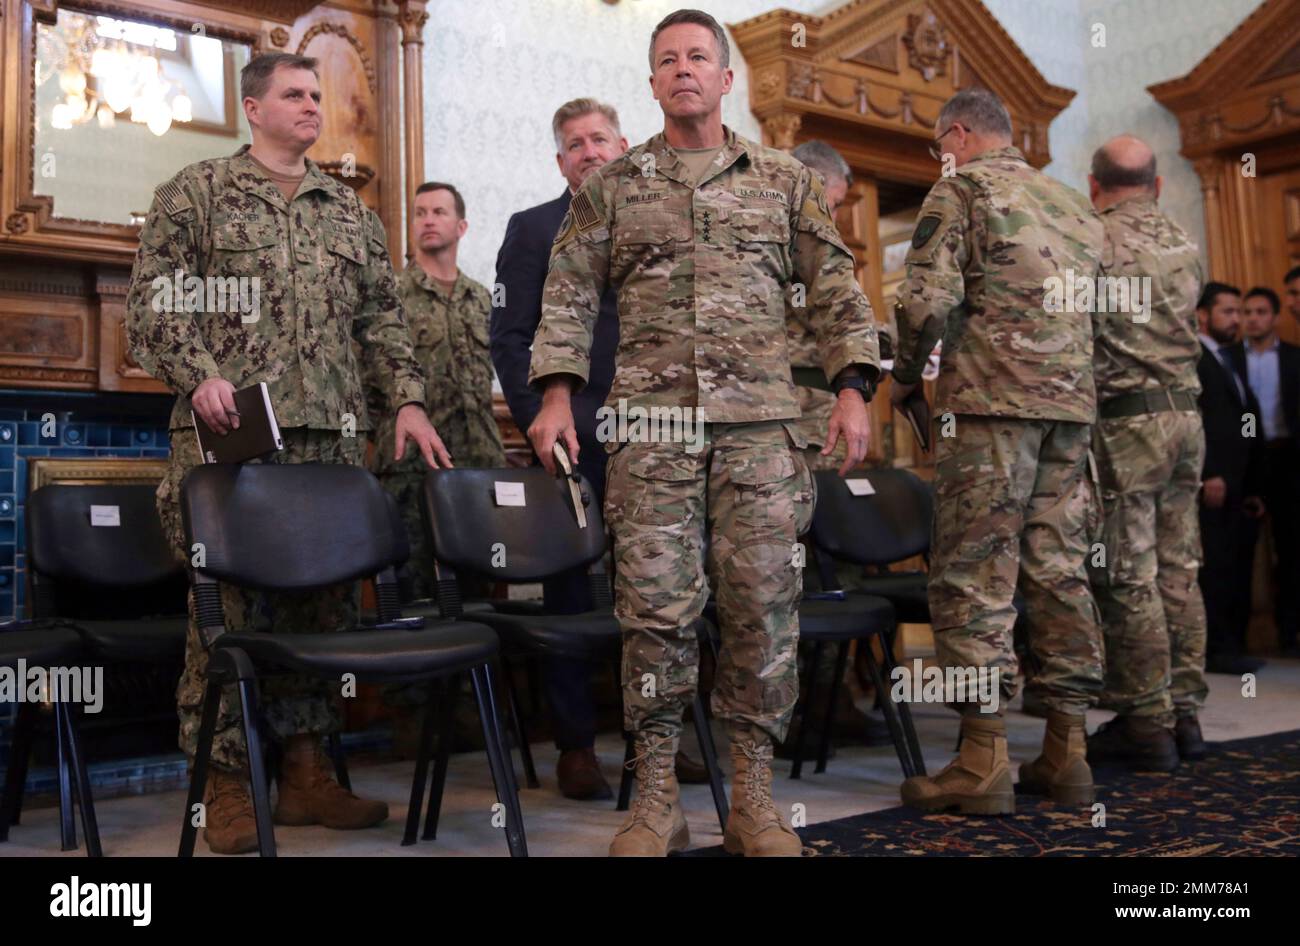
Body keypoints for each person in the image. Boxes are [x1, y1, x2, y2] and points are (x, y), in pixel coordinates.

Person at [527, 8, 879, 856]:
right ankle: (655, 796)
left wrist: (854, 388)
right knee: (654, 612)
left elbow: (835, 288)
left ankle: (752, 795)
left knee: (763, 605)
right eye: (666, 59)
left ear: (726, 79)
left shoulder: (784, 178)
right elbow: (569, 292)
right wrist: (554, 396)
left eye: (698, 57)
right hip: (652, 432)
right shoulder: (613, 185)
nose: (683, 69)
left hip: (762, 432)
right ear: (652, 83)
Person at [126, 53, 449, 855]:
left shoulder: (348, 210)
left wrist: (405, 399)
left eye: (318, 95)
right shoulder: (195, 194)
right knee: (225, 622)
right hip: (231, 443)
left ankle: (306, 775)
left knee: (321, 609)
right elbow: (153, 305)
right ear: (252, 107)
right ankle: (226, 787)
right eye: (294, 95)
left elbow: (379, 321)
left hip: (329, 447)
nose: (311, 107)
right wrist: (201, 375)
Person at [891, 87, 1105, 814]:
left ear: (957, 134)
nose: (936, 157)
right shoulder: (1076, 206)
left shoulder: (960, 189)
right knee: (1060, 568)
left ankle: (983, 758)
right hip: (1070, 412)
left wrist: (901, 379)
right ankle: (1067, 750)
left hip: (989, 409)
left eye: (936, 145)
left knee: (974, 573)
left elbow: (924, 301)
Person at [1082, 135, 1206, 771]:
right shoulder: (1185, 242)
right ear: (1157, 185)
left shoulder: (1090, 239)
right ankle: (1186, 716)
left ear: (1094, 185)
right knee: (1180, 567)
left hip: (1128, 426)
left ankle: (1146, 723)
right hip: (1188, 418)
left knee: (1130, 573)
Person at [370, 181, 504, 603]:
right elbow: (368, 381)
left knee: (479, 589)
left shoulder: (483, 299)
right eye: (420, 212)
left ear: (461, 226)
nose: (427, 220)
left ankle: (478, 672)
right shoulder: (389, 297)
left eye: (438, 212)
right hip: (412, 470)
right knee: (416, 593)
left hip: (477, 465)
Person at [1195, 282, 1267, 676]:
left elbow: (1245, 419)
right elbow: (1200, 422)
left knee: (1236, 564)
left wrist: (1253, 480)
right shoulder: (1195, 357)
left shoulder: (1230, 358)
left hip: (1239, 481)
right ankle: (1216, 649)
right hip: (1214, 480)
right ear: (1202, 314)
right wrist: (1210, 473)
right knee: (1215, 565)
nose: (1237, 319)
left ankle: (1233, 645)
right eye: (1228, 312)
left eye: (1240, 312)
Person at [1239, 287, 1300, 656]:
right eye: (1247, 312)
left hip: (1288, 457)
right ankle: (1240, 636)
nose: (1253, 319)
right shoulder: (1231, 359)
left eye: (1261, 312)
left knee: (1292, 548)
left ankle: (1289, 631)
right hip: (1248, 458)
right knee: (1241, 548)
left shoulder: (1293, 358)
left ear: (1274, 317)